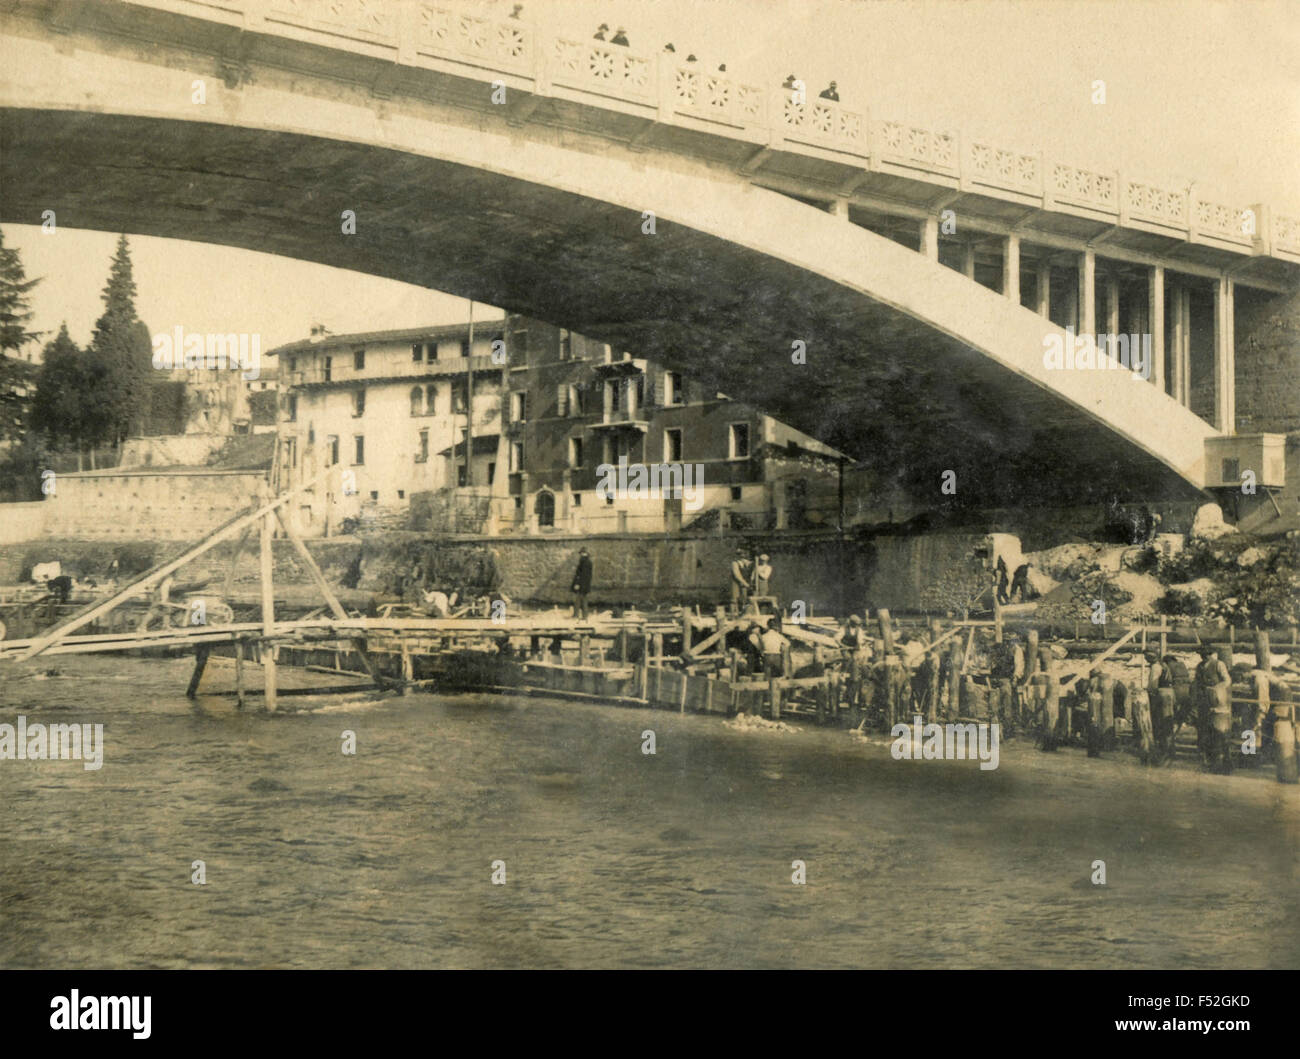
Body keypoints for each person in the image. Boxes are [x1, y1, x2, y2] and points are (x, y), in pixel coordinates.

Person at [1194, 647, 1232, 771]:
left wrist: (1215, 689)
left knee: (1218, 731)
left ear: (1211, 654)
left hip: (1217, 699)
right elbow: (1196, 681)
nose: (1204, 657)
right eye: (1201, 655)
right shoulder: (1199, 666)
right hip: (1204, 701)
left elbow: (1227, 681)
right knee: (1204, 731)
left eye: (1206, 655)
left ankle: (1221, 762)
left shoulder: (1219, 665)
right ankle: (1207, 760)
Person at [571, 547, 593, 620]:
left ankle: (577, 615)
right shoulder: (587, 562)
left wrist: (578, 584)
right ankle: (583, 615)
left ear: (585, 553)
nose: (581, 555)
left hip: (582, 585)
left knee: (579, 600)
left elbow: (582, 575)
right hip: (585, 585)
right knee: (583, 600)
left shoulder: (584, 562)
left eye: (582, 553)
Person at [729, 549, 752, 614]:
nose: (742, 556)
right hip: (736, 582)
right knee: (735, 598)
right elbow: (737, 575)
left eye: (743, 554)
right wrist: (745, 583)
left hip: (744, 582)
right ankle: (733, 614)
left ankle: (744, 613)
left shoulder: (747, 563)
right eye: (739, 554)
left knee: (744, 598)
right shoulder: (734, 563)